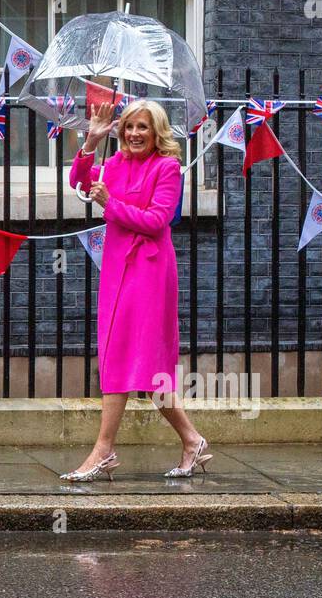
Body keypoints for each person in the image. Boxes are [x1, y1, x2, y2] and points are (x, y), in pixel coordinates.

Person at [60, 97, 211, 481]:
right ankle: (191, 440)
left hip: (149, 271)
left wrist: (111, 203)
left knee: (135, 357)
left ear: (156, 131)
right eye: (128, 126)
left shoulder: (168, 168)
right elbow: (79, 181)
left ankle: (103, 450)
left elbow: (157, 221)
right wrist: (92, 141)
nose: (134, 133)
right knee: (125, 357)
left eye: (142, 126)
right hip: (117, 269)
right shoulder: (115, 164)